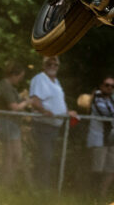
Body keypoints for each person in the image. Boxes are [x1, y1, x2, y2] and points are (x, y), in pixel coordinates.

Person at [28, 56, 77, 189]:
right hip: (43, 125)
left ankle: (45, 188)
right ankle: (39, 188)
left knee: (49, 158)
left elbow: (59, 102)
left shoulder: (56, 82)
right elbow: (35, 100)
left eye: (55, 65)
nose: (52, 66)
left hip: (54, 126)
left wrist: (68, 112)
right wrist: (44, 110)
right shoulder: (39, 79)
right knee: (44, 157)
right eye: (49, 64)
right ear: (44, 65)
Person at [0, 61, 31, 187]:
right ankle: (5, 186)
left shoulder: (10, 87)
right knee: (11, 155)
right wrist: (26, 102)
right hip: (6, 123)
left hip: (12, 124)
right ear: (14, 75)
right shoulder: (5, 85)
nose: (20, 80)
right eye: (20, 77)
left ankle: (8, 185)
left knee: (15, 156)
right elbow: (14, 107)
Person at [88, 75, 114, 198]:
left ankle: (100, 196)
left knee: (112, 170)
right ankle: (91, 196)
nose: (109, 88)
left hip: (109, 140)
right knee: (97, 170)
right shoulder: (97, 99)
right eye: (107, 85)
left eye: (112, 86)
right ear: (101, 86)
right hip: (99, 139)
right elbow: (108, 114)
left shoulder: (110, 100)